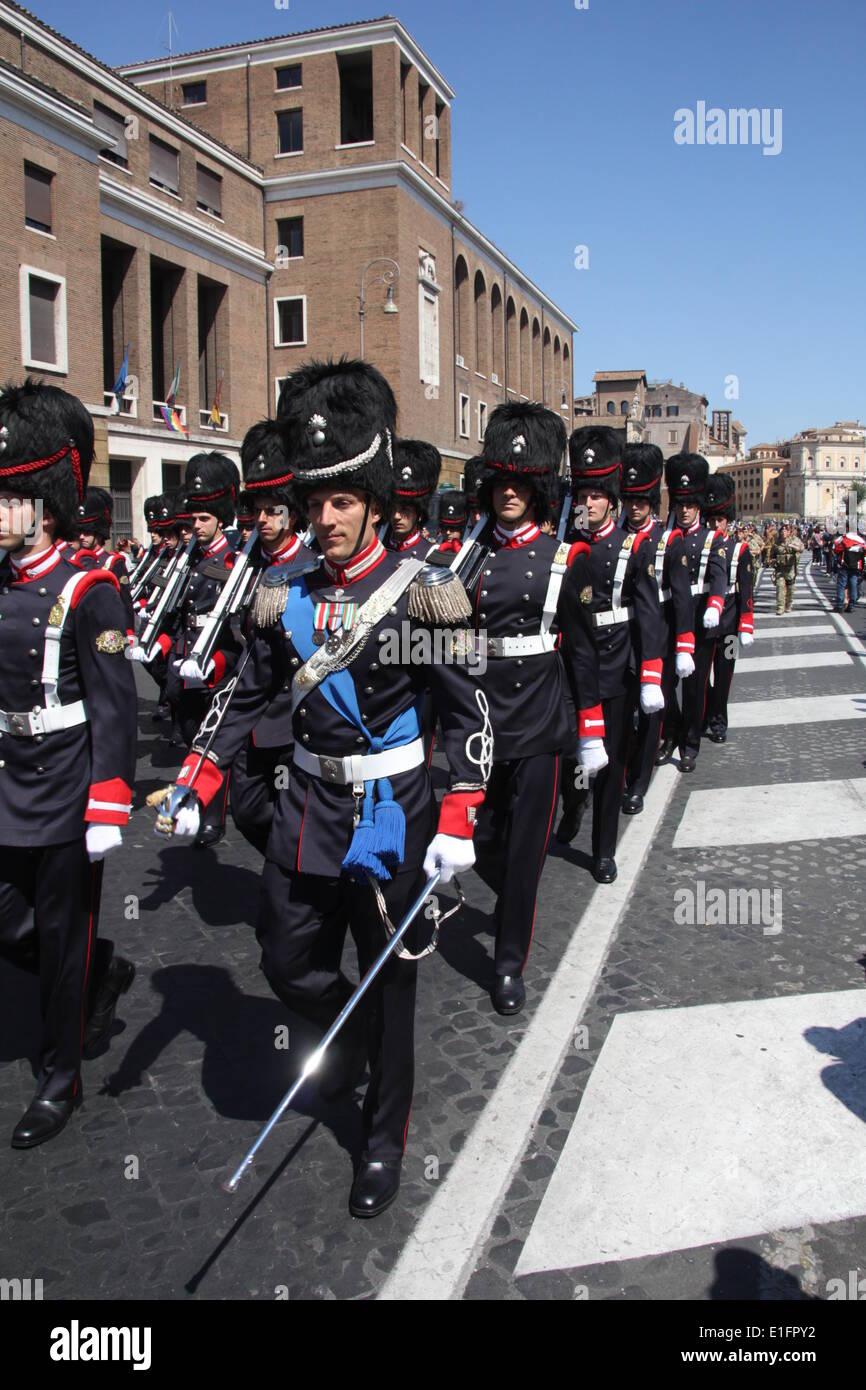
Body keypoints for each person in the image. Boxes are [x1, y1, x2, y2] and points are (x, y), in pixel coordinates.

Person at [157, 359, 489, 1218]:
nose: (326, 518)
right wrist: (200, 772)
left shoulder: (422, 599)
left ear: (373, 501)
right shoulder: (282, 596)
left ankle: (383, 1141)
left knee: (393, 984)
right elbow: (251, 698)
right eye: (315, 503)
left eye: (342, 501)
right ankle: (346, 1039)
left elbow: (465, 711)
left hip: (395, 813)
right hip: (307, 808)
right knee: (285, 956)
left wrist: (459, 811)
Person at [0, 379, 137, 1148]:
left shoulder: (90, 590)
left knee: (58, 942)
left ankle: (60, 1080)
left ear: (42, 507)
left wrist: (109, 797)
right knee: (11, 924)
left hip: (62, 785)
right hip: (5, 776)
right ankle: (101, 967)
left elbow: (117, 702)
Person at [468, 403, 580, 1012]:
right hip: (482, 719)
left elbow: (582, 650)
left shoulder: (565, 556)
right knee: (483, 838)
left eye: (519, 483)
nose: (507, 492)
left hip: (539, 717)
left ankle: (508, 963)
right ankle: (513, 897)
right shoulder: (467, 556)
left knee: (526, 847)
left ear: (536, 490)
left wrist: (587, 728)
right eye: (499, 482)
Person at [558, 426, 667, 881]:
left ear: (611, 499)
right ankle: (572, 806)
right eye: (582, 493)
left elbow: (649, 615)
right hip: (568, 669)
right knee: (569, 755)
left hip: (614, 666)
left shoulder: (632, 547)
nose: (588, 503)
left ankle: (603, 848)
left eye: (596, 495)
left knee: (610, 761)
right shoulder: (561, 546)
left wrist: (650, 673)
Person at [133, 454, 242, 847]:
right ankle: (194, 801)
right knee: (189, 730)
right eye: (192, 519)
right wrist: (158, 647)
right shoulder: (187, 558)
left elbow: (236, 624)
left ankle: (210, 814)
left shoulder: (234, 559)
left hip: (216, 659)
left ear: (219, 517)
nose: (195, 526)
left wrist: (212, 663)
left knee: (210, 740)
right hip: (185, 656)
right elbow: (176, 615)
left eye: (202, 519)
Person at [227, 419, 313, 855]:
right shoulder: (241, 563)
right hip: (244, 712)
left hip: (286, 714)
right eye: (257, 509)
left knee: (284, 812)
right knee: (246, 811)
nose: (262, 518)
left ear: (291, 514)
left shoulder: (308, 567)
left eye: (273, 510)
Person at [620, 443, 695, 814]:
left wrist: (684, 644)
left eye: (641, 500)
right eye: (629, 499)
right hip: (620, 637)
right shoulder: (614, 535)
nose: (634, 507)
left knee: (651, 711)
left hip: (659, 637)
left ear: (652, 501)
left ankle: (639, 781)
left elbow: (681, 597)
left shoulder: (669, 541)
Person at [655, 454, 729, 772]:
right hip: (668, 617)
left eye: (690, 504)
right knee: (663, 682)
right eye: (680, 503)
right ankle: (670, 732)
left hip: (700, 619)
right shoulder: (662, 536)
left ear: (699, 505)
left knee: (695, 686)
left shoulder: (712, 540)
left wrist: (715, 603)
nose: (684, 510)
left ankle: (690, 743)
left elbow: (720, 576)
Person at [702, 473, 754, 743]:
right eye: (710, 520)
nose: (714, 525)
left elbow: (746, 591)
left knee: (724, 675)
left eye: (718, 520)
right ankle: (705, 713)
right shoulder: (699, 546)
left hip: (731, 626)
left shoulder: (740, 549)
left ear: (727, 521)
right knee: (700, 679)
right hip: (706, 624)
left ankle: (719, 720)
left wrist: (746, 625)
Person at [383, 439, 440, 553]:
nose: (396, 516)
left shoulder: (430, 553)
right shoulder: (378, 548)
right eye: (392, 509)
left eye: (404, 509)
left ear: (419, 513)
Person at [769, 521, 801, 614]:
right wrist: (772, 561)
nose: (783, 532)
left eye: (786, 530)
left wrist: (793, 547)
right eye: (782, 530)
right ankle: (780, 607)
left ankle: (788, 605)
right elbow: (772, 554)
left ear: (789, 532)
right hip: (780, 569)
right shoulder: (777, 543)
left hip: (790, 569)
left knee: (790, 589)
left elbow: (801, 548)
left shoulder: (794, 540)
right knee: (780, 587)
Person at [833, 530, 865, 612]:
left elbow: (836, 550)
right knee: (853, 585)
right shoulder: (861, 541)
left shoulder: (845, 540)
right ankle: (851, 605)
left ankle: (840, 605)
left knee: (841, 585)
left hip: (844, 566)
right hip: (855, 567)